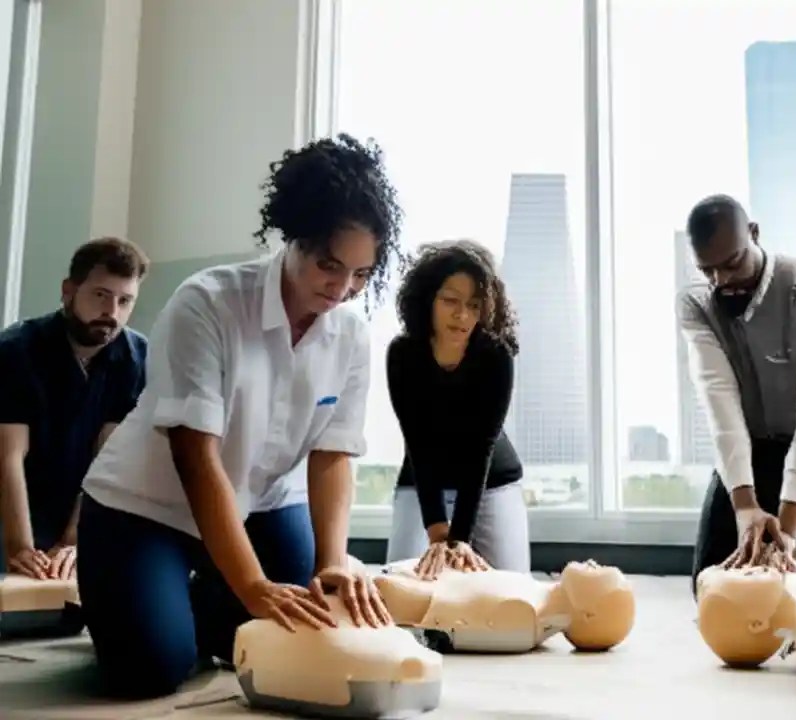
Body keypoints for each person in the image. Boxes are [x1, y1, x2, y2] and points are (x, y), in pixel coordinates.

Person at [74, 134, 402, 699]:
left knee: (297, 623)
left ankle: (186, 599)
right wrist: (251, 584)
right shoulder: (208, 302)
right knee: (153, 669)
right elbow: (196, 458)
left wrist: (333, 565)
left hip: (262, 503)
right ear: (293, 237)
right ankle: (143, 595)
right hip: (147, 508)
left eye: (361, 274)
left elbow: (331, 456)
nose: (343, 288)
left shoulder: (350, 336)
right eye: (329, 265)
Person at [678, 194, 796, 592]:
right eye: (707, 271)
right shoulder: (695, 304)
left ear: (754, 233)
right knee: (712, 590)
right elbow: (719, 401)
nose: (722, 282)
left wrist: (787, 535)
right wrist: (745, 507)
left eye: (731, 263)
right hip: (744, 457)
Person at [0, 238, 148, 594]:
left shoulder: (136, 358)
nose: (111, 311)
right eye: (100, 295)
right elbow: (8, 456)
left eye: (124, 300)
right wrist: (20, 546)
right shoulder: (16, 350)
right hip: (12, 501)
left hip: (83, 504)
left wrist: (74, 541)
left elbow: (108, 459)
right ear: (69, 291)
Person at [385, 239, 526, 578]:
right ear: (428, 299)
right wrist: (437, 530)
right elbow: (417, 441)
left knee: (510, 590)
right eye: (450, 301)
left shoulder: (496, 355)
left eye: (474, 305)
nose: (462, 316)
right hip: (423, 477)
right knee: (399, 585)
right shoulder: (403, 354)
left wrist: (458, 538)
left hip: (491, 479)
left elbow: (482, 447)